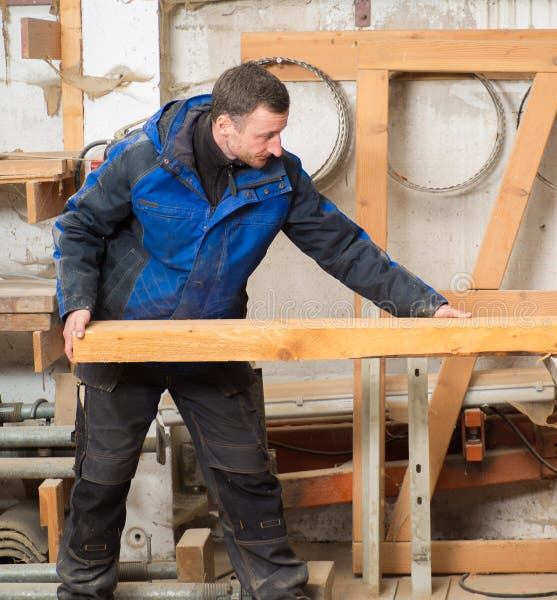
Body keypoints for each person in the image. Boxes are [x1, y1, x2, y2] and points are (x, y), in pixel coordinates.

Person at [53, 61, 468, 600]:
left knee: (246, 475)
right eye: (266, 134)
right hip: (125, 336)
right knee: (101, 478)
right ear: (225, 127)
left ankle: (277, 591)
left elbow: (342, 247)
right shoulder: (143, 158)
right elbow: (79, 225)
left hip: (215, 337)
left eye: (281, 133)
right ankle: (83, 592)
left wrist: (423, 307)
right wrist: (77, 302)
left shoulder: (279, 176)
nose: (276, 146)